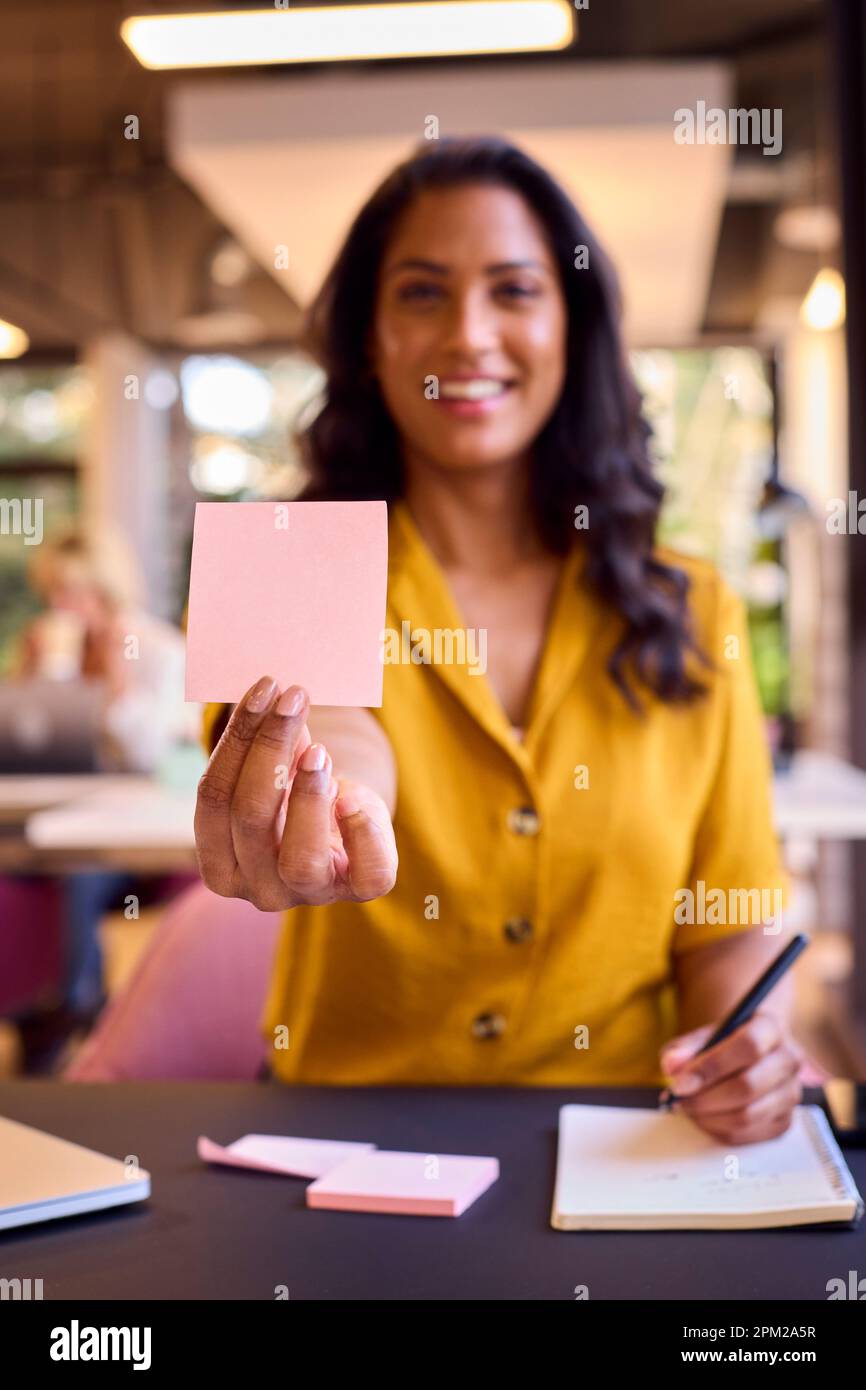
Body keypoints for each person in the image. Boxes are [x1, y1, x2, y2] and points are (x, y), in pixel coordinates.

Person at [195, 137, 803, 1145]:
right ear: (370, 339)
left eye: (513, 290)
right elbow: (332, 732)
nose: (468, 334)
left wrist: (743, 1045)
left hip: (621, 1145)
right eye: (422, 294)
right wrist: (339, 802)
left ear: (570, 327)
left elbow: (725, 917)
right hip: (348, 1153)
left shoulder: (693, 606)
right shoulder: (283, 560)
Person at [9, 523, 196, 1069]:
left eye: (70, 591)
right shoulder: (53, 650)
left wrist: (118, 686)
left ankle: (73, 1004)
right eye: (52, 592)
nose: (59, 605)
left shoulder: (157, 650)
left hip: (132, 827)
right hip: (61, 814)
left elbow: (158, 761)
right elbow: (32, 746)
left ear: (104, 588)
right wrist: (33, 682)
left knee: (78, 870)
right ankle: (35, 1003)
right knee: (29, 867)